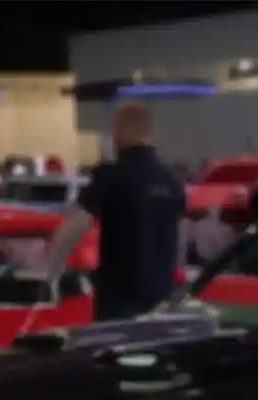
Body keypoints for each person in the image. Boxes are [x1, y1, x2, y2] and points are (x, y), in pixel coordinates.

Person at [46, 101, 186, 321]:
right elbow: (180, 243)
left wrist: (52, 274)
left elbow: (74, 228)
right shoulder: (172, 181)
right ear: (151, 134)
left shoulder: (111, 176)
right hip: (161, 303)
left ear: (117, 133)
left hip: (120, 304)